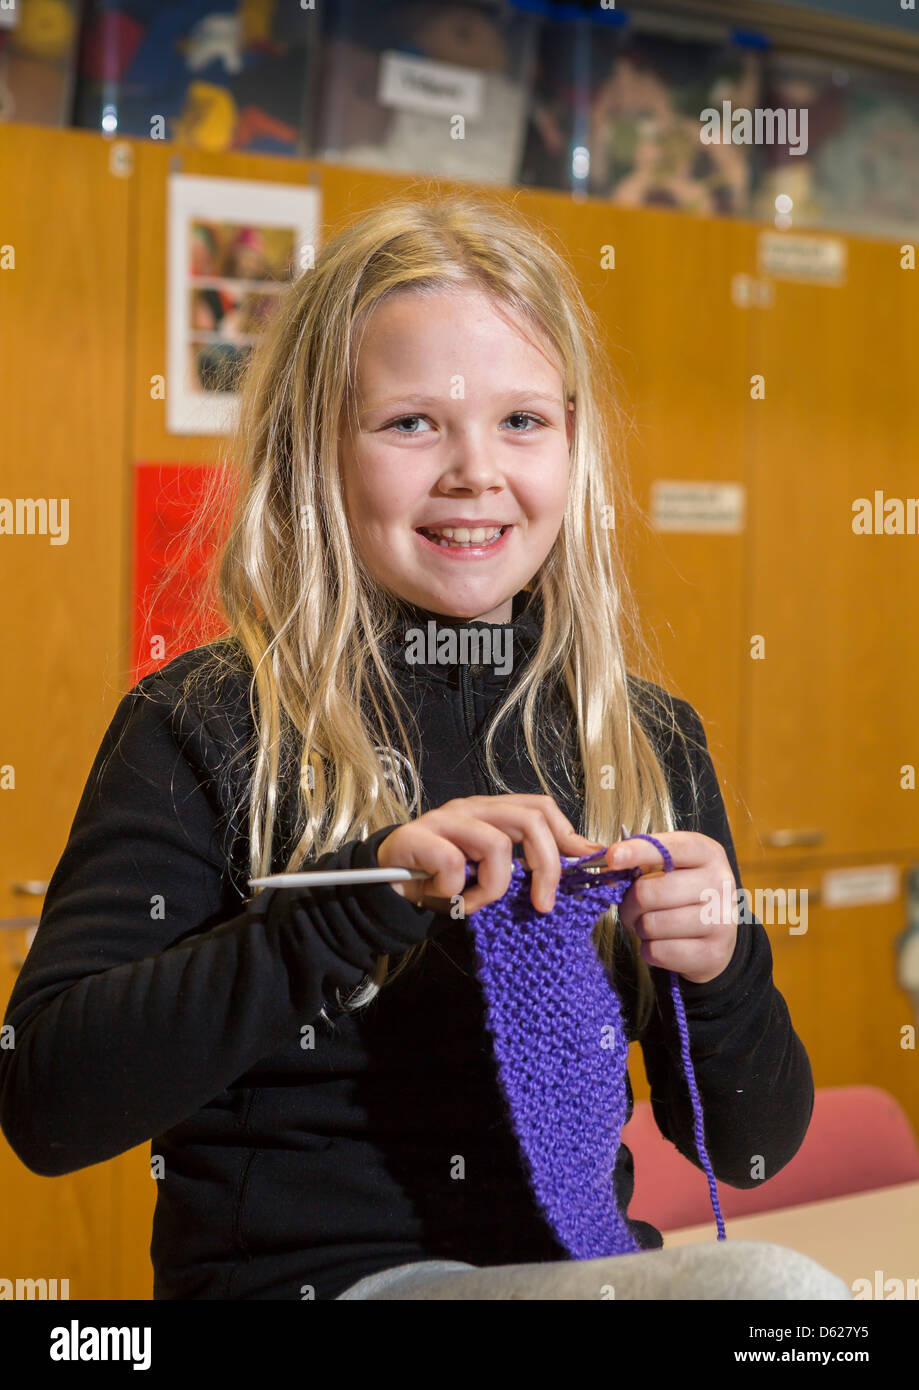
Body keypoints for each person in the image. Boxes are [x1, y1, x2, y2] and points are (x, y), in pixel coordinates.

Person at [0, 194, 851, 1302]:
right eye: (410, 423)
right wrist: (354, 903)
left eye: (521, 422)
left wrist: (720, 965)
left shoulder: (638, 736)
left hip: (574, 1276)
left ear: (575, 444)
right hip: (316, 1285)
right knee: (769, 1299)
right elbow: (48, 1105)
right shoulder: (208, 720)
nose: (474, 472)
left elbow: (746, 1154)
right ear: (313, 451)